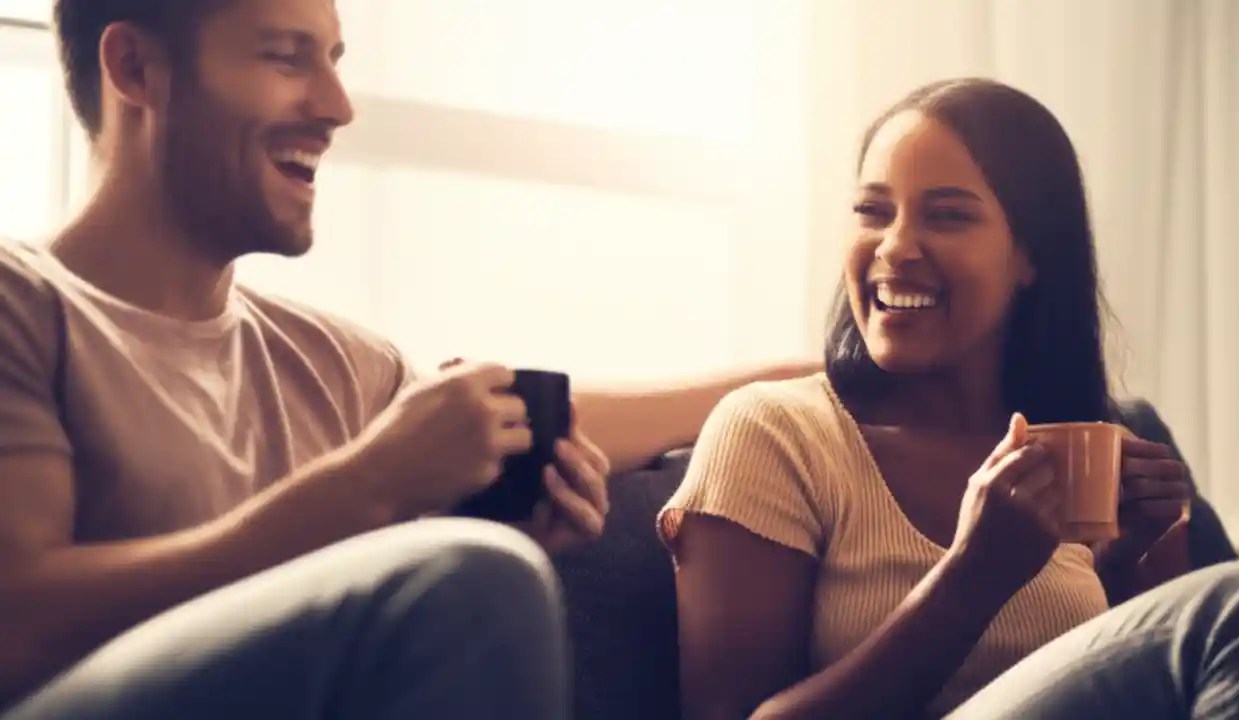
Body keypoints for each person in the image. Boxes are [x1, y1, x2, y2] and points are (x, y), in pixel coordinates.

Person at [0, 1, 817, 717]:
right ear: (135, 67)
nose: (336, 106)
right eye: (286, 57)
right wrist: (371, 485)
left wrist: (835, 381)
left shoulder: (336, 363)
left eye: (334, 59)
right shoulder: (22, 303)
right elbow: (18, 623)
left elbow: (564, 419)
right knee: (472, 579)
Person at [659, 78, 1239, 719]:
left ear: (1030, 256)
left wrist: (1133, 563)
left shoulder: (1079, 453)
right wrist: (972, 578)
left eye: (947, 215)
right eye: (874, 211)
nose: (895, 246)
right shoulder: (775, 431)